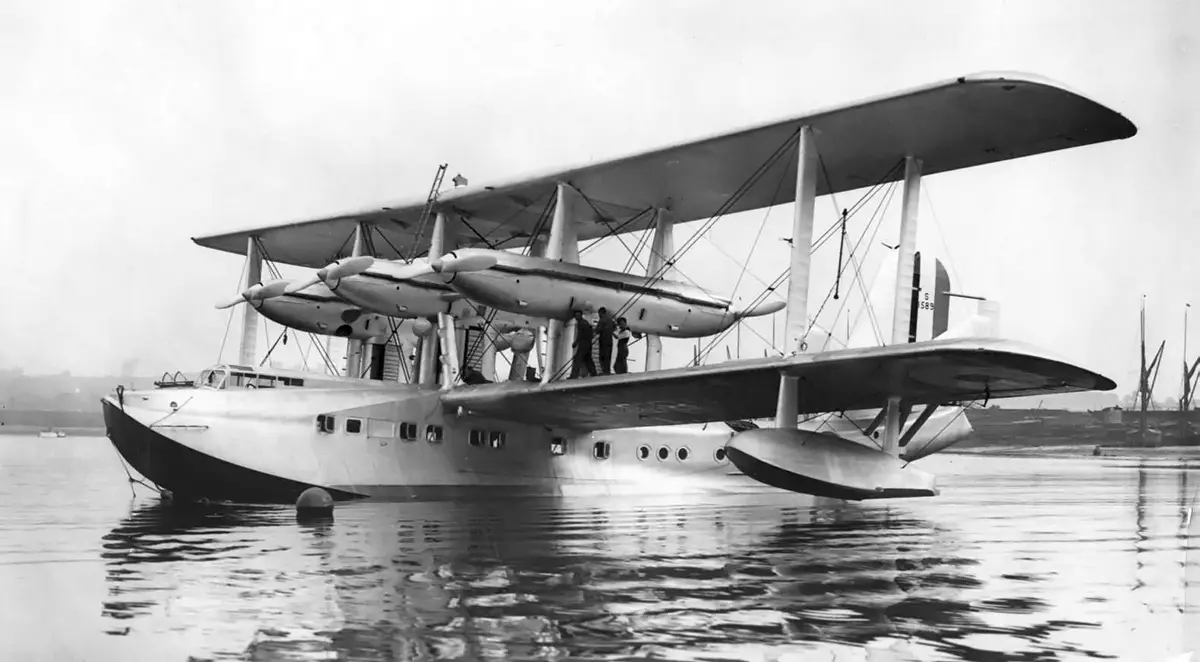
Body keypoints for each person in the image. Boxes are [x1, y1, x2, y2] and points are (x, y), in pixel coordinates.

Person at [570, 309, 596, 378]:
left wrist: (575, 342)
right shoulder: (585, 322)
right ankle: (594, 374)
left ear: (581, 315)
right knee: (588, 360)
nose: (577, 317)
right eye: (576, 316)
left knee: (577, 359)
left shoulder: (581, 323)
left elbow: (580, 334)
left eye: (578, 315)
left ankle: (574, 376)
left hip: (584, 344)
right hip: (588, 343)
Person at [595, 307, 615, 374]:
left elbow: (597, 331)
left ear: (601, 313)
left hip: (603, 341)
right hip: (610, 340)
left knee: (602, 357)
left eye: (599, 313)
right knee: (608, 356)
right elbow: (614, 328)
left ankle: (605, 371)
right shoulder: (611, 320)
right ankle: (607, 371)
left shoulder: (602, 320)